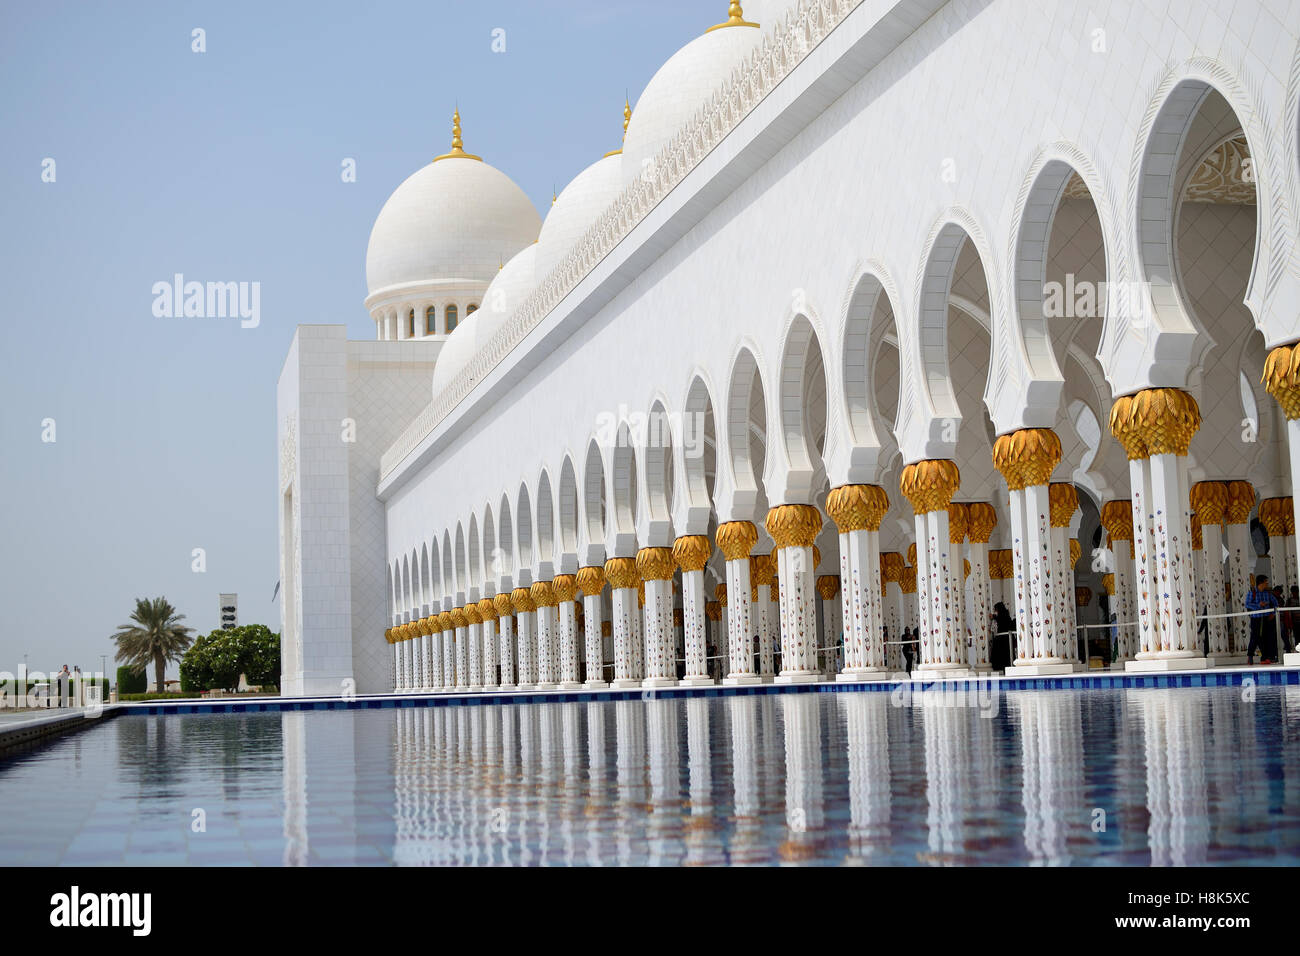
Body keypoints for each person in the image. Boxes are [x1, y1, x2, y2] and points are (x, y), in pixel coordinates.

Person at [1245, 575, 1280, 664]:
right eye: (1266, 582)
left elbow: (1275, 602)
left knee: (1266, 637)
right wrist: (1258, 605)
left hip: (1266, 618)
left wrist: (1273, 613)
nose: (1267, 584)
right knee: (1255, 637)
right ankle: (1250, 655)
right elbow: (1247, 604)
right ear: (1261, 583)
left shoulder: (1267, 593)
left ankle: (1265, 657)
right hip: (1256, 618)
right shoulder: (1252, 593)